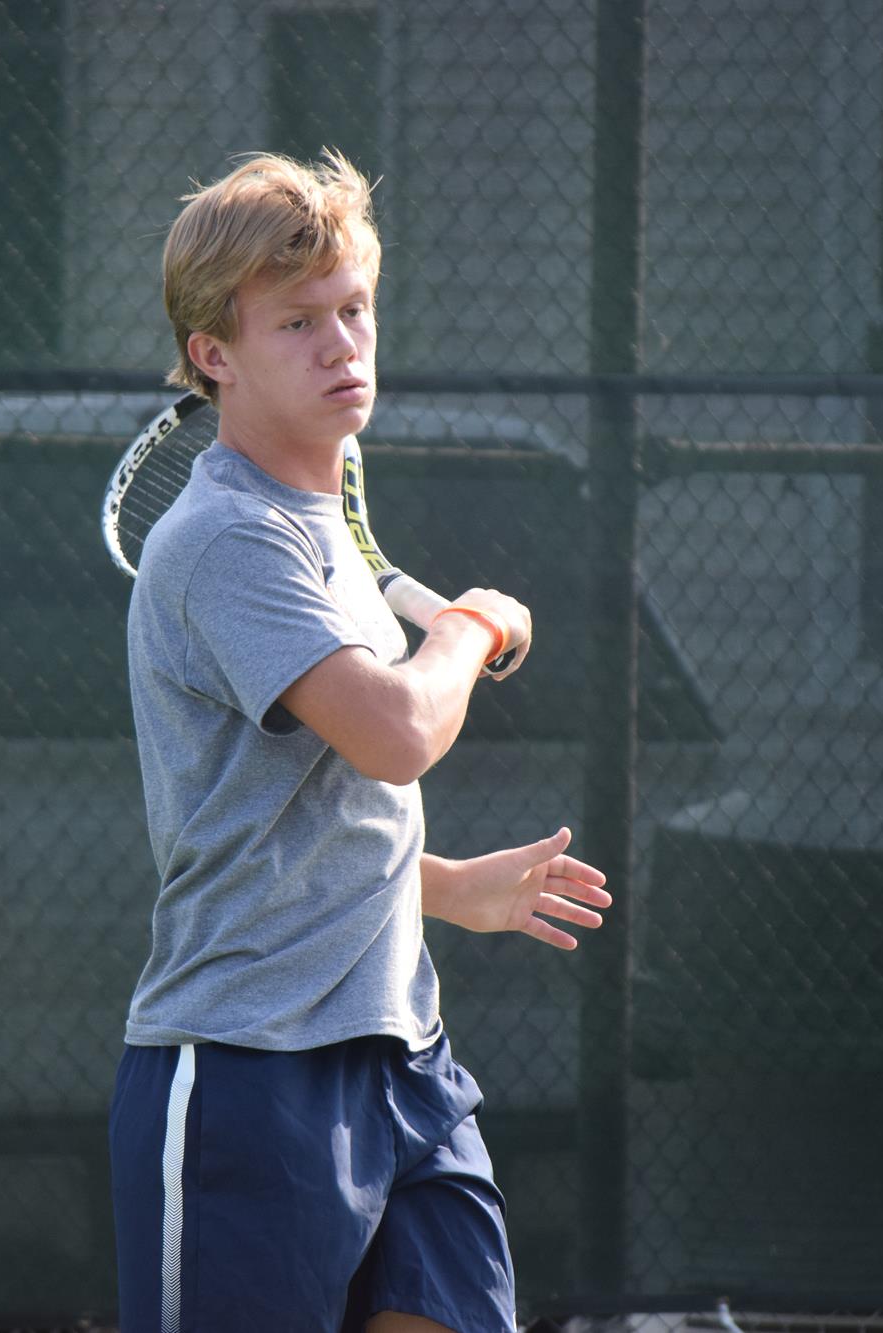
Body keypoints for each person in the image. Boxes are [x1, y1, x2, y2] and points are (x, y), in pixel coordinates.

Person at [110, 149, 612, 1333]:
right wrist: (475, 621)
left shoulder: (324, 519)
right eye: (297, 323)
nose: (342, 345)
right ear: (212, 356)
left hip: (404, 1060)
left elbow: (290, 818)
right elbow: (393, 735)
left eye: (353, 310)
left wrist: (434, 887)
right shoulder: (225, 541)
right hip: (241, 1077)